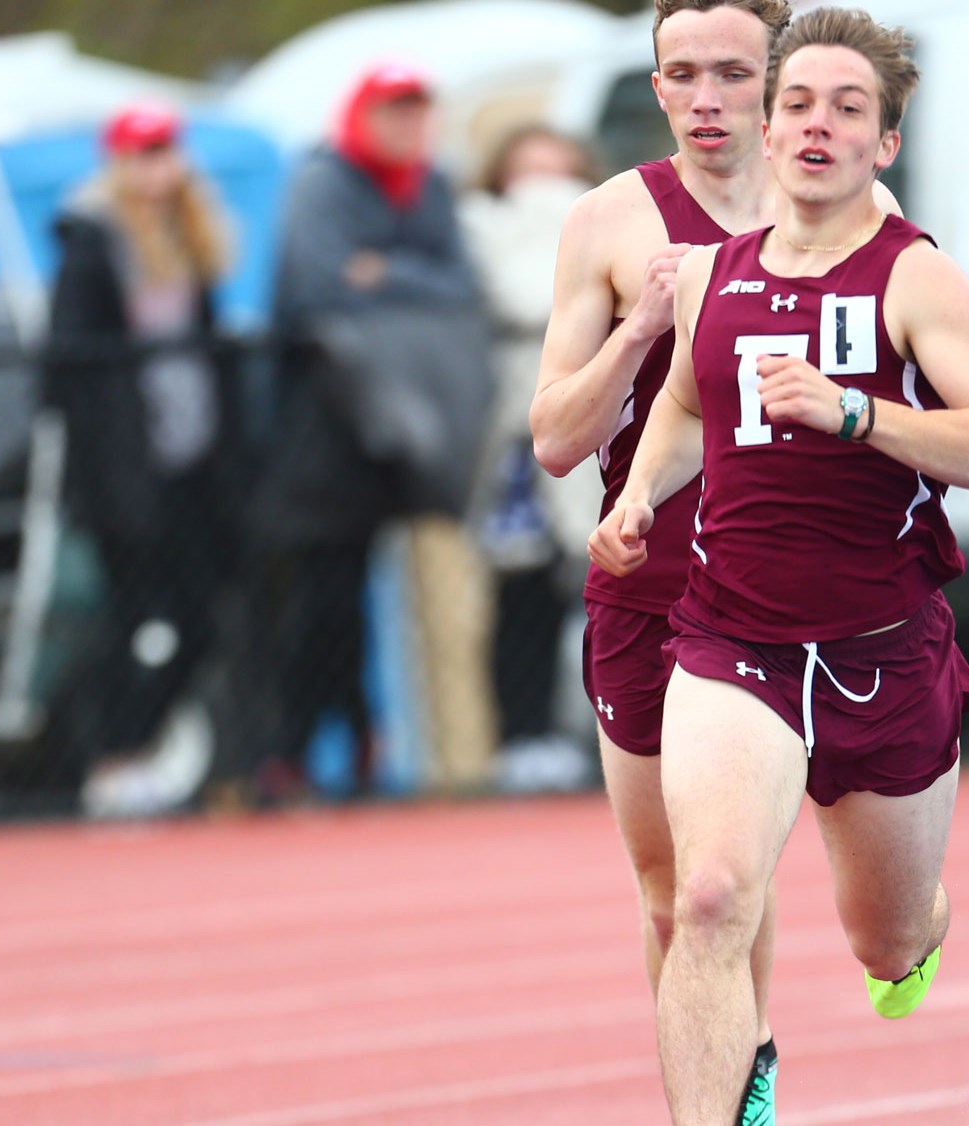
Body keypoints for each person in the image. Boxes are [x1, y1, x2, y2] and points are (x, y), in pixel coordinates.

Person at [586, 9, 969, 1123]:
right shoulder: (715, 277)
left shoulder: (914, 275)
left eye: (847, 110)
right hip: (730, 640)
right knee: (708, 894)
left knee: (881, 936)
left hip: (880, 649)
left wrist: (853, 414)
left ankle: (914, 925)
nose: (816, 127)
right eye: (798, 105)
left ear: (884, 143)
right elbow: (688, 401)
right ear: (769, 126)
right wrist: (639, 496)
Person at [529, 2, 899, 1121]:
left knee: (747, 885)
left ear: (778, 81)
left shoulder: (859, 212)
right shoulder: (606, 220)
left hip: (793, 599)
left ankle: (763, 1057)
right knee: (675, 895)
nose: (705, 98)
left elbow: (910, 398)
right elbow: (552, 437)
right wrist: (642, 324)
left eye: (731, 74)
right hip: (647, 583)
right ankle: (746, 1075)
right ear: (652, 87)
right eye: (679, 73)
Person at [241, 62, 491, 805]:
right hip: (323, 430)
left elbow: (463, 287)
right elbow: (317, 286)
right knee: (324, 595)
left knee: (402, 595)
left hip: (411, 423)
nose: (407, 127)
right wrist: (408, 285)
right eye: (392, 112)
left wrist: (385, 275)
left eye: (417, 112)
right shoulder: (324, 183)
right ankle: (305, 745)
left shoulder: (430, 186)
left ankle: (367, 741)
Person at [43, 101, 237, 818]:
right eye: (144, 151)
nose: (158, 165)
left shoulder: (189, 235)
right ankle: (107, 757)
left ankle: (135, 746)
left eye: (167, 149)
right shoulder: (93, 242)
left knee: (199, 619)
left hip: (190, 463)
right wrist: (115, 464)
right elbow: (70, 367)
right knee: (128, 619)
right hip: (127, 473)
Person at [460, 124, 600, 793]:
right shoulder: (477, 226)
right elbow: (523, 295)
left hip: (599, 426)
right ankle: (521, 734)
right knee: (520, 593)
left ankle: (602, 732)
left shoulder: (614, 221)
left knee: (606, 590)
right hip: (519, 438)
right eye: (529, 167)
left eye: (558, 168)